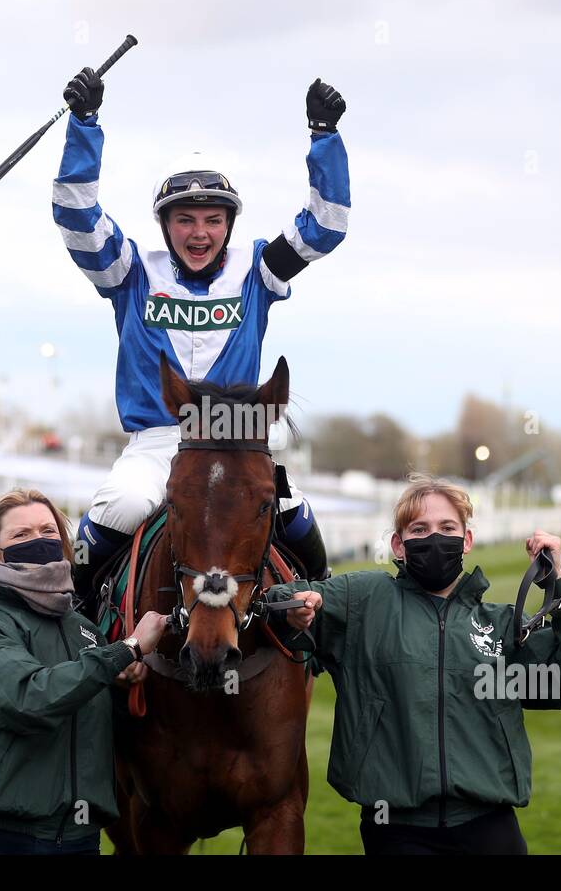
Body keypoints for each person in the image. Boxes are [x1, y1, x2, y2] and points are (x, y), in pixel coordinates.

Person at [53, 66, 350, 599]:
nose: (199, 233)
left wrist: (324, 137)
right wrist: (85, 124)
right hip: (156, 443)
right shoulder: (130, 270)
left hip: (235, 438)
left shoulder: (258, 269)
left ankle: (322, 618)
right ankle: (76, 625)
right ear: (166, 225)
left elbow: (326, 225)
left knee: (296, 513)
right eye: (185, 220)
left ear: (228, 225)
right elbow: (76, 215)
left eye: (212, 219)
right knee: (118, 506)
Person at [266, 474, 561, 855]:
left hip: (491, 823)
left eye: (447, 527)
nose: (434, 537)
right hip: (396, 829)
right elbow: (280, 599)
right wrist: (292, 608)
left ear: (466, 540)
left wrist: (558, 581)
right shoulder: (363, 600)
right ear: (398, 545)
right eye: (420, 528)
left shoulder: (501, 625)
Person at [0, 488, 167, 855]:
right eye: (21, 535)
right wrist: (127, 649)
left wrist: (124, 688)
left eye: (48, 531)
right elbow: (31, 699)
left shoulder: (86, 631)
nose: (39, 541)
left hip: (79, 838)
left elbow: (100, 733)